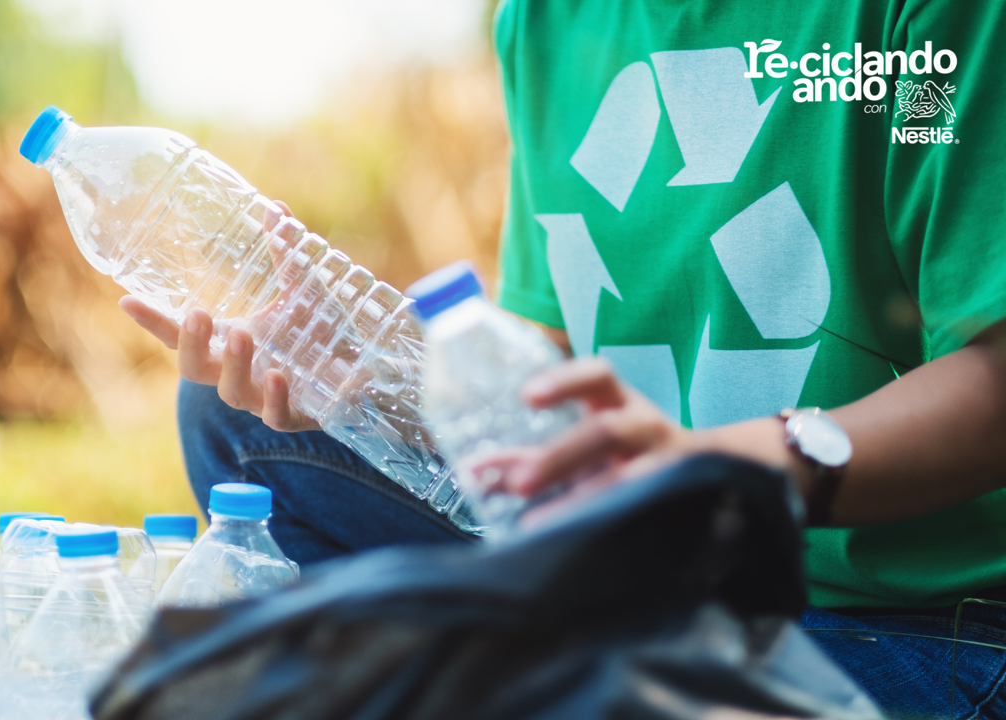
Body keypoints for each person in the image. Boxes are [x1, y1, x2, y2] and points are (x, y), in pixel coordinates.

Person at [118, 0, 1006, 714]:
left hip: (910, 623)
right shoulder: (546, 21)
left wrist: (721, 469)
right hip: (645, 575)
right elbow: (552, 361)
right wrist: (372, 387)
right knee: (238, 420)